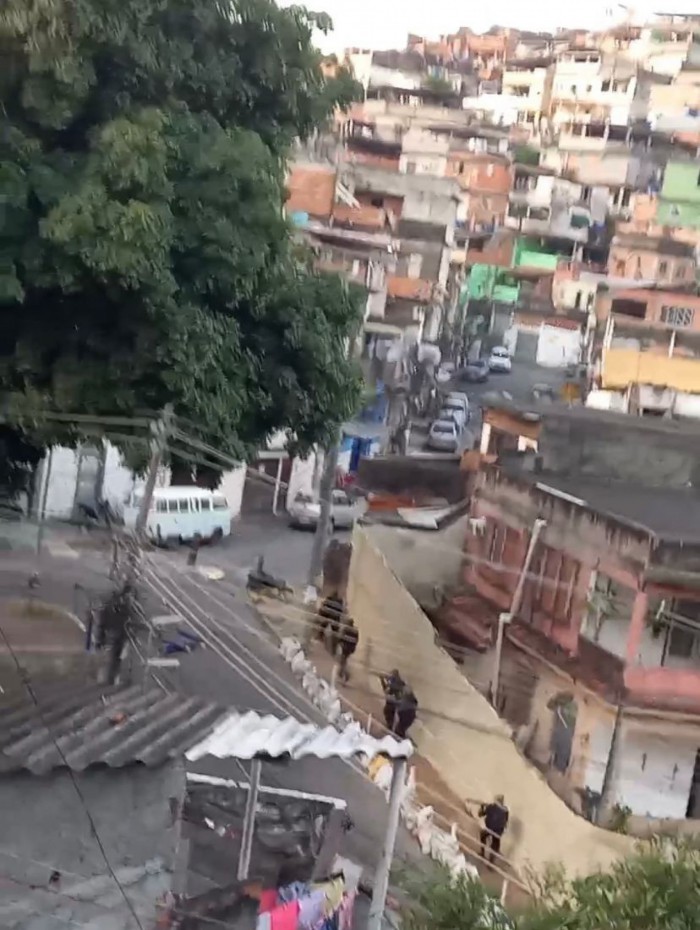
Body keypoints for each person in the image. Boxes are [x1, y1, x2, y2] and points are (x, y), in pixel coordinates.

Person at [479, 794, 509, 865]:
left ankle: (482, 853)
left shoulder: (491, 807)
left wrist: (482, 807)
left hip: (490, 828)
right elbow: (505, 822)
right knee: (495, 846)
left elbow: (480, 814)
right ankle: (490, 862)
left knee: (483, 836)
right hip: (497, 831)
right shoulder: (505, 811)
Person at [336, 617, 359, 683]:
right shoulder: (355, 630)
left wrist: (339, 643)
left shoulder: (346, 629)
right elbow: (356, 640)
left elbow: (341, 637)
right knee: (344, 660)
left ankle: (345, 674)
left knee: (342, 661)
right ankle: (342, 673)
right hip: (350, 648)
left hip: (345, 647)